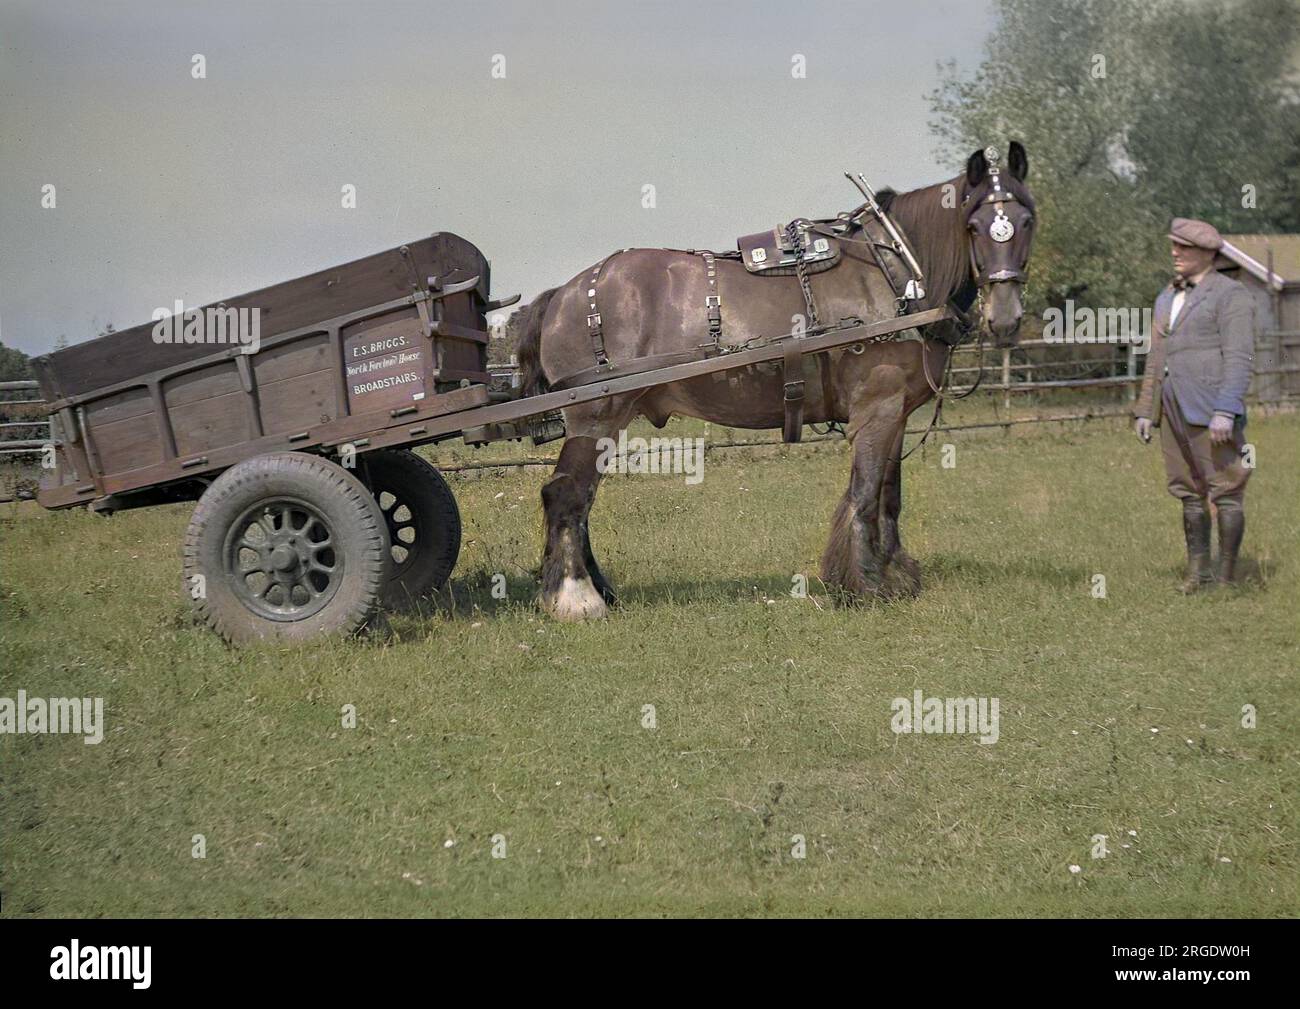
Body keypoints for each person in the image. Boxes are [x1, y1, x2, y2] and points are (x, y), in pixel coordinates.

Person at [1134, 218, 1254, 592]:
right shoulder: (1166, 295)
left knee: (1227, 489)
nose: (1175, 252)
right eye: (1174, 245)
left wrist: (1226, 409)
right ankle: (1197, 574)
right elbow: (1157, 357)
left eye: (1183, 247)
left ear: (1207, 254)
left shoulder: (1231, 295)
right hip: (1172, 409)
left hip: (1211, 409)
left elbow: (1239, 357)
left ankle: (1226, 579)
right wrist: (1145, 410)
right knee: (1186, 490)